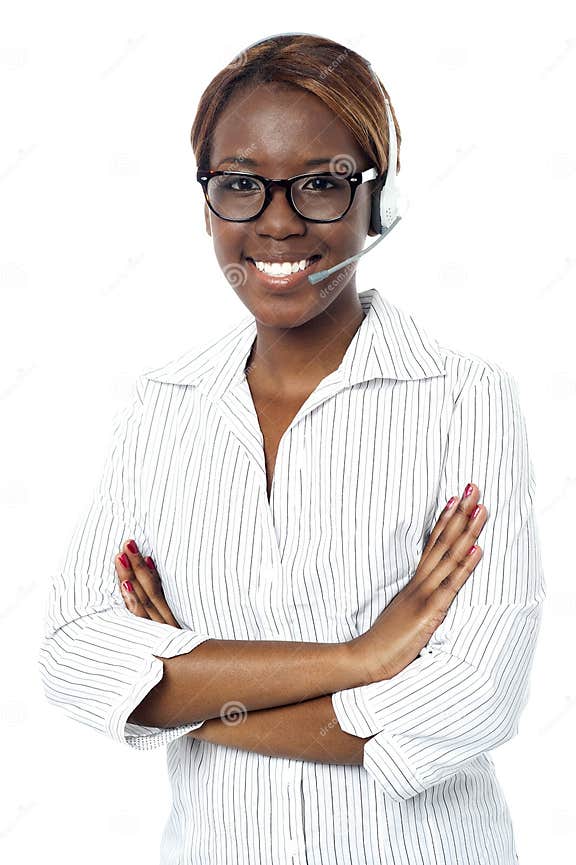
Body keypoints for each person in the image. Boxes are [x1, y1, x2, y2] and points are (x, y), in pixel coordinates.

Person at [38, 33, 545, 865]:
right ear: (207, 203)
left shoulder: (465, 398)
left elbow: (473, 698)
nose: (277, 221)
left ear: (374, 200)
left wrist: (190, 694)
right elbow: (73, 657)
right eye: (240, 184)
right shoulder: (164, 406)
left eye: (321, 184)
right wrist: (362, 658)